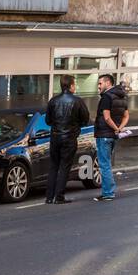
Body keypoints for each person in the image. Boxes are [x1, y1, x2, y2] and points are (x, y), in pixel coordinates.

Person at [43, 74, 90, 204]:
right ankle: (59, 197)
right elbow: (85, 119)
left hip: (55, 137)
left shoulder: (53, 101)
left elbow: (48, 121)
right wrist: (76, 125)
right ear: (71, 86)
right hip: (69, 138)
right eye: (74, 84)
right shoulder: (77, 101)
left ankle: (49, 197)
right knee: (64, 167)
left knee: (53, 166)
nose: (75, 87)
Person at [93, 73, 129, 203]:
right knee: (107, 163)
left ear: (108, 83)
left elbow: (106, 117)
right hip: (113, 135)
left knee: (104, 165)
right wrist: (119, 128)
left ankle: (108, 193)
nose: (99, 86)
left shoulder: (106, 97)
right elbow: (126, 116)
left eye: (100, 83)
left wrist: (114, 127)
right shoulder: (122, 96)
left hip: (104, 135)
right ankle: (108, 191)